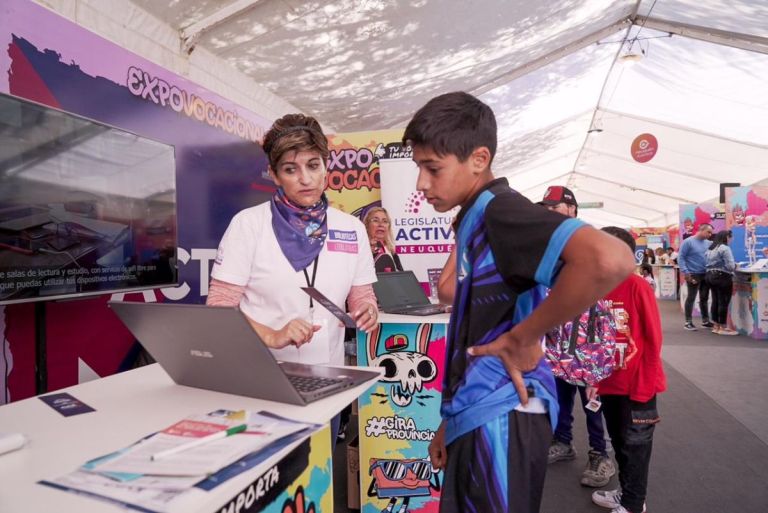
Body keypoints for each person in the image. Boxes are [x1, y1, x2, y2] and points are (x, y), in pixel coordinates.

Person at [409, 92, 635, 513]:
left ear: (478, 159)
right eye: (419, 167)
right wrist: (452, 418)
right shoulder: (477, 216)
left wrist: (524, 335)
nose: (421, 183)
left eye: (432, 168)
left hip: (502, 413)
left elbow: (611, 258)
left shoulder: (500, 212)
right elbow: (472, 318)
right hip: (480, 409)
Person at [206, 113, 379, 442]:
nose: (306, 179)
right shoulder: (248, 225)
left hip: (326, 379)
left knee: (318, 480)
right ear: (273, 174)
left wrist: (367, 310)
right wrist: (271, 334)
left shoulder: (352, 229)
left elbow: (362, 297)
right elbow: (219, 307)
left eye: (313, 165)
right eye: (290, 169)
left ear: (327, 165)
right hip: (261, 380)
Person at [538, 186, 616, 487]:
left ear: (572, 208)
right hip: (557, 337)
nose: (550, 213)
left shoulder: (588, 240)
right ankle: (563, 442)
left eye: (556, 207)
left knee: (593, 401)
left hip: (590, 341)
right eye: (546, 207)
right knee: (558, 397)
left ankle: (600, 454)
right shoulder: (548, 244)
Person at [592, 226, 667, 513]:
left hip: (638, 385)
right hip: (610, 383)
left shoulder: (637, 286)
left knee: (636, 446)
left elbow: (653, 339)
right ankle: (626, 492)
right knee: (620, 443)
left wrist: (645, 385)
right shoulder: (596, 285)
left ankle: (634, 503)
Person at [677, 223, 714, 331]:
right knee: (691, 298)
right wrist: (686, 272)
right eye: (708, 232)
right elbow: (681, 258)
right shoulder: (688, 242)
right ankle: (688, 322)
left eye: (711, 232)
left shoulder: (709, 243)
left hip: (706, 273)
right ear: (701, 230)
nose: (710, 234)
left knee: (704, 298)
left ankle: (705, 321)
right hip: (693, 274)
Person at [705, 230, 738, 335]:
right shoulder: (725, 248)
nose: (731, 239)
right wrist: (736, 266)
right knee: (723, 302)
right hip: (722, 277)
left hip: (710, 276)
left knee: (715, 301)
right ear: (727, 237)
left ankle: (716, 326)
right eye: (731, 237)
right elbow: (730, 266)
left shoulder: (711, 248)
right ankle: (723, 327)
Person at [363, 207, 404, 273]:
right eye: (375, 220)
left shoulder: (392, 251)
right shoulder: (362, 249)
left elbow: (401, 277)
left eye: (385, 221)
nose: (381, 224)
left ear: (388, 226)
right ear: (367, 225)